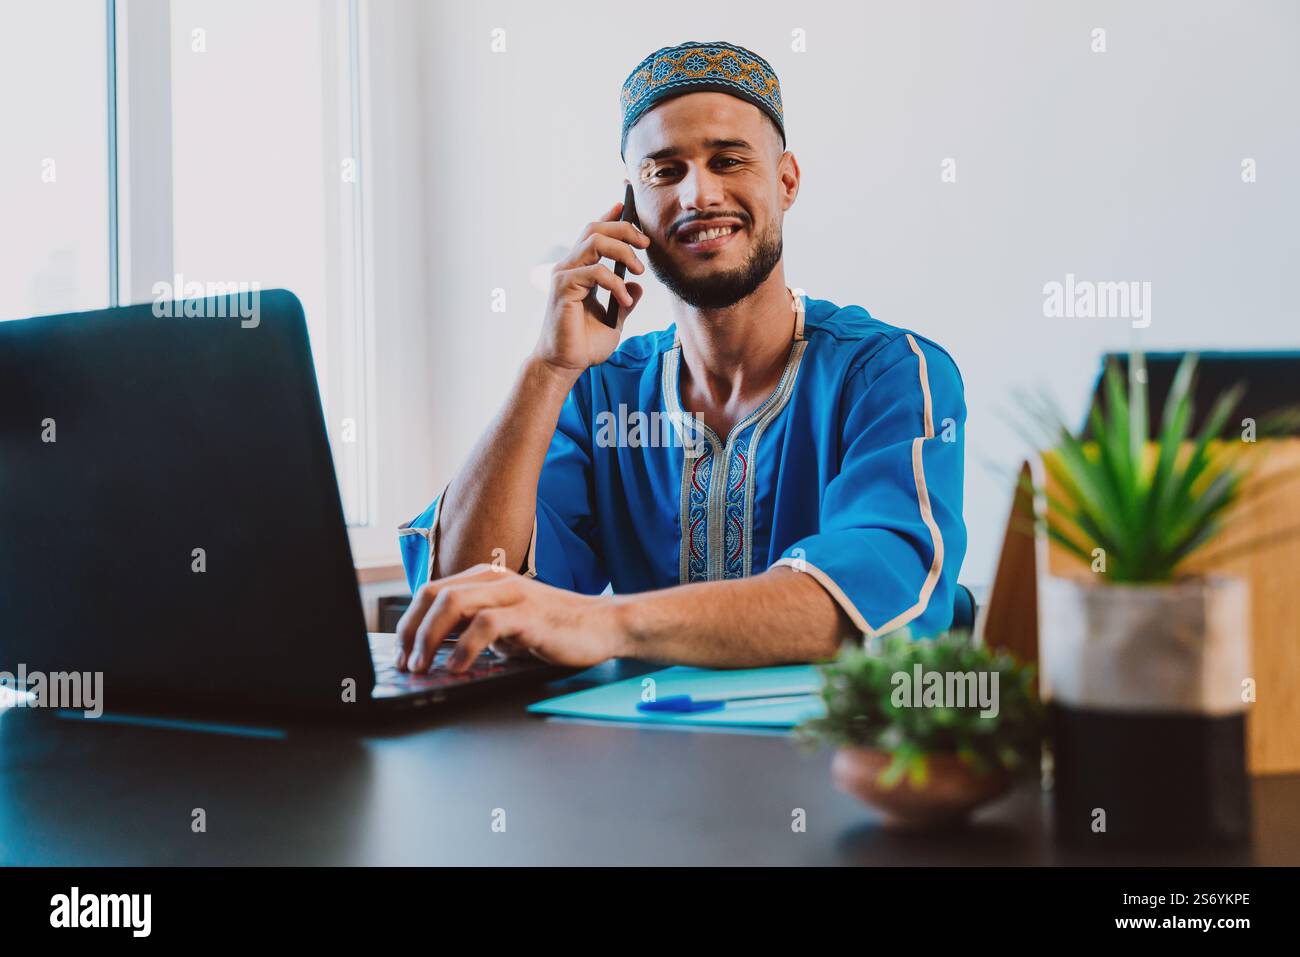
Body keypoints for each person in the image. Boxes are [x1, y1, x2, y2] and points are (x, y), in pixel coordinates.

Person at [396, 41, 966, 674]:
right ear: (631, 207)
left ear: (786, 181)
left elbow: (874, 603)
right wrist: (547, 369)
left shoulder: (888, 375)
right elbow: (470, 590)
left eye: (729, 160)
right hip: (643, 748)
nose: (699, 194)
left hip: (837, 757)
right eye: (664, 171)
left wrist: (606, 623)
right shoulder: (598, 393)